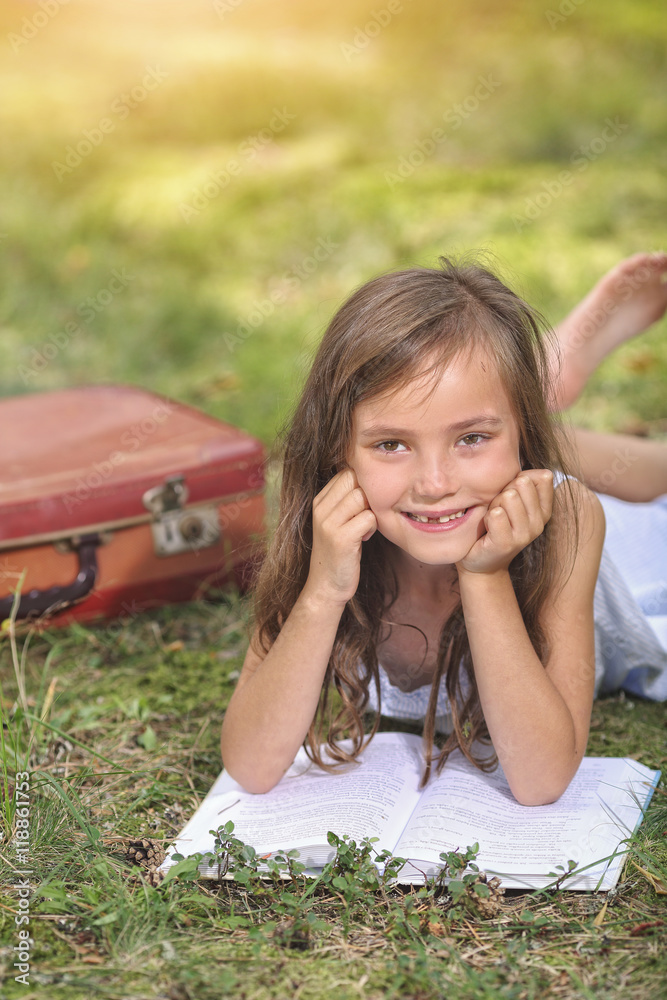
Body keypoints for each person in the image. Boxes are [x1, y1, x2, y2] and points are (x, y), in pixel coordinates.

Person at [220, 251, 667, 805]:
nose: (433, 483)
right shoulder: (326, 535)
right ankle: (535, 390)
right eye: (391, 444)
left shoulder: (568, 518)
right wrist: (323, 592)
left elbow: (542, 780)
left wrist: (486, 576)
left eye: (471, 437)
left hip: (643, 561)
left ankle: (545, 390)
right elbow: (252, 766)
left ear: (518, 439)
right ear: (338, 452)